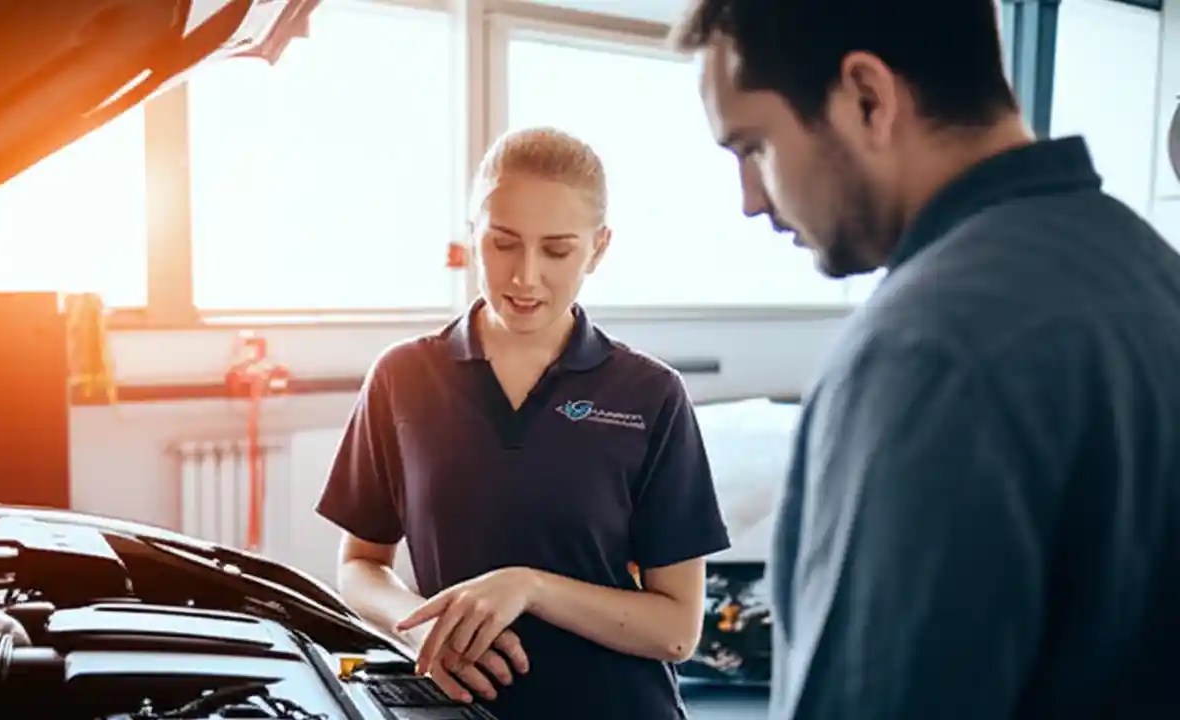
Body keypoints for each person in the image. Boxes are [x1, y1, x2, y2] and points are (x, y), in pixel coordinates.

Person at [671, 1, 1180, 718]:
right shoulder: (1155, 274)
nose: (751, 200)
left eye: (753, 147)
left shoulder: (925, 354)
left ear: (868, 99)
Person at [316, 126, 731, 719]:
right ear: (473, 236)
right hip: (459, 708)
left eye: (557, 250)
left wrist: (530, 587)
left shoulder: (649, 394)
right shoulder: (403, 377)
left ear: (599, 247)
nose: (525, 276)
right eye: (503, 243)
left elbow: (676, 630)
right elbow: (360, 564)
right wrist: (418, 633)